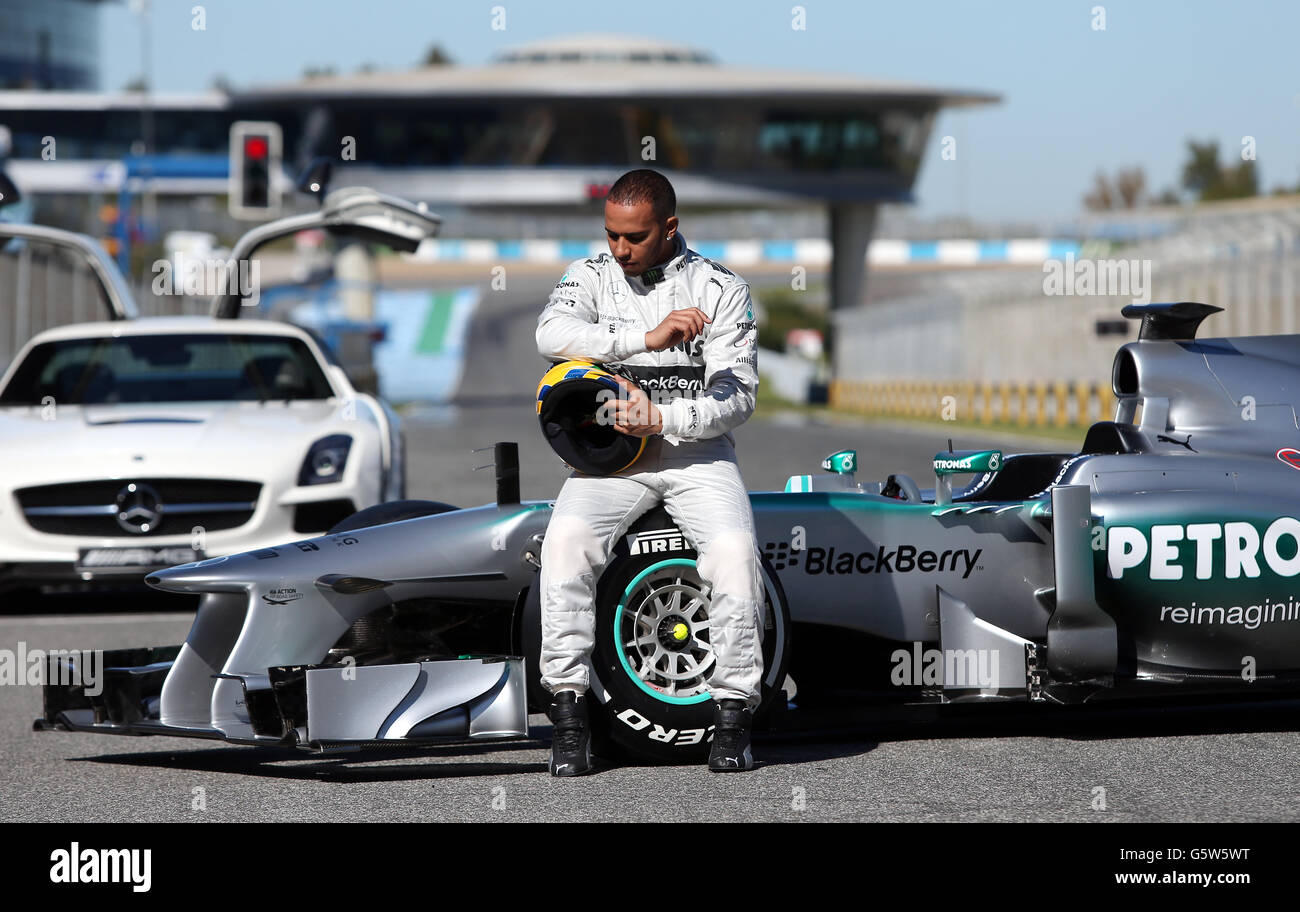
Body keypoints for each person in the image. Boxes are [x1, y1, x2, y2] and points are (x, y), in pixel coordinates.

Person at [535, 168, 764, 775]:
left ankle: (735, 716)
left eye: (633, 238)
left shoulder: (721, 288)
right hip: (610, 460)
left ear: (669, 228)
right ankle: (568, 718)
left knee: (735, 554)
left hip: (696, 454)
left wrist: (660, 417)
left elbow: (738, 399)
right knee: (565, 545)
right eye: (611, 234)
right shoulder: (590, 275)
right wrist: (645, 337)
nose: (619, 249)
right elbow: (550, 333)